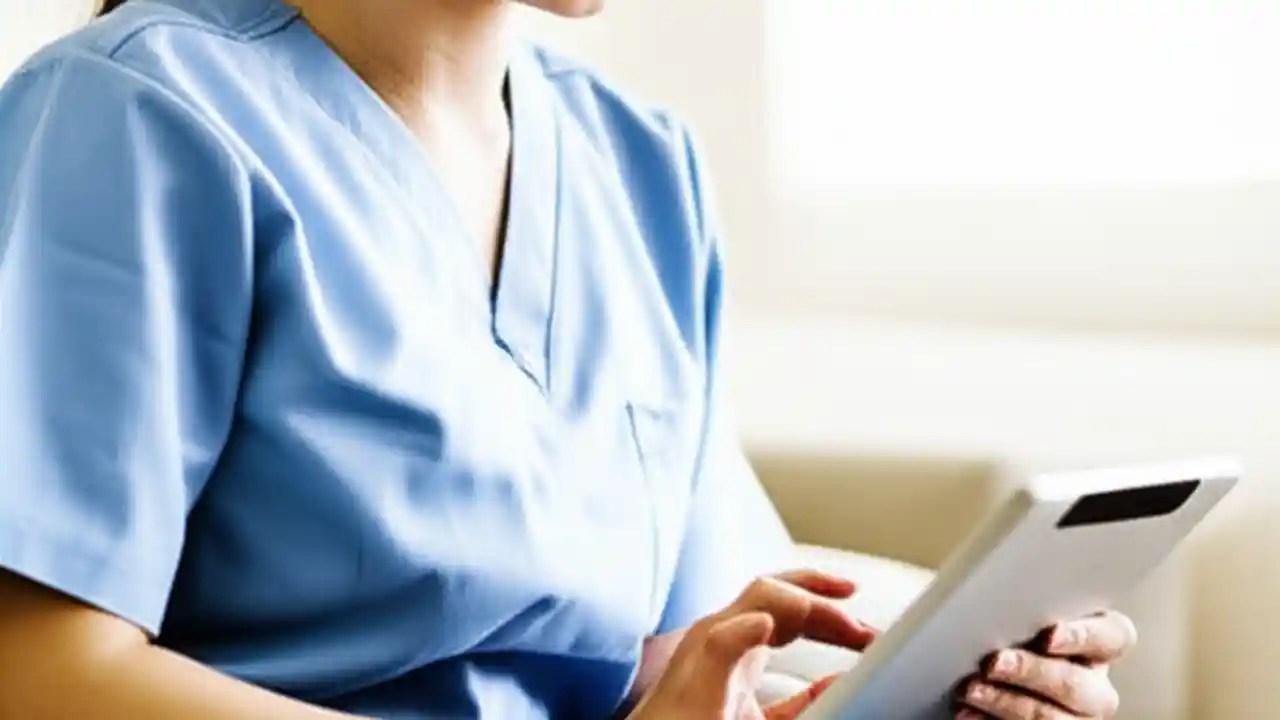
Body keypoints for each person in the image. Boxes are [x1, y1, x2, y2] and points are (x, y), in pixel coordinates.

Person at [0, 0, 1137, 717]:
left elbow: (672, 640)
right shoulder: (134, 113)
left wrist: (956, 666)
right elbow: (39, 672)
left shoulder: (638, 162)